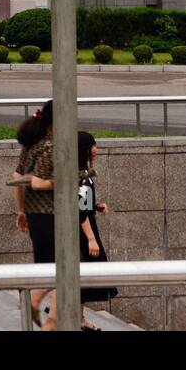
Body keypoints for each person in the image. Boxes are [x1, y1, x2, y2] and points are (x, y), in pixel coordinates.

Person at [10, 101, 56, 330]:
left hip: (36, 214)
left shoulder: (30, 145)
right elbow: (37, 182)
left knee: (47, 263)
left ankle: (55, 317)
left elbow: (17, 177)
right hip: (51, 214)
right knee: (61, 265)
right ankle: (35, 300)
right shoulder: (49, 146)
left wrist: (21, 210)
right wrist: (62, 181)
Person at [77, 130, 117, 330]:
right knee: (84, 275)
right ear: (85, 149)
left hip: (83, 228)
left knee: (83, 276)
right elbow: (81, 212)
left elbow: (83, 205)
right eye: (93, 146)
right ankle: (73, 317)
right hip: (84, 232)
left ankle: (78, 318)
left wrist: (96, 205)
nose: (96, 150)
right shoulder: (84, 178)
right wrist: (91, 239)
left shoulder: (81, 174)